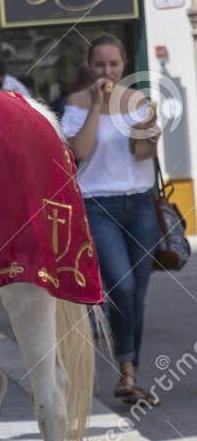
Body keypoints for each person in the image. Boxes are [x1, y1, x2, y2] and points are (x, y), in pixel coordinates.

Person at [62, 34, 162, 406]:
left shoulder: (137, 102)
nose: (107, 71)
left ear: (124, 66)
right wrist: (97, 106)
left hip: (139, 204)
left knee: (137, 293)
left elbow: (144, 155)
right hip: (98, 206)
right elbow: (80, 154)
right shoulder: (76, 103)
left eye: (114, 64)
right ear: (90, 66)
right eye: (100, 65)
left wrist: (150, 131)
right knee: (119, 288)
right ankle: (127, 367)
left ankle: (129, 373)